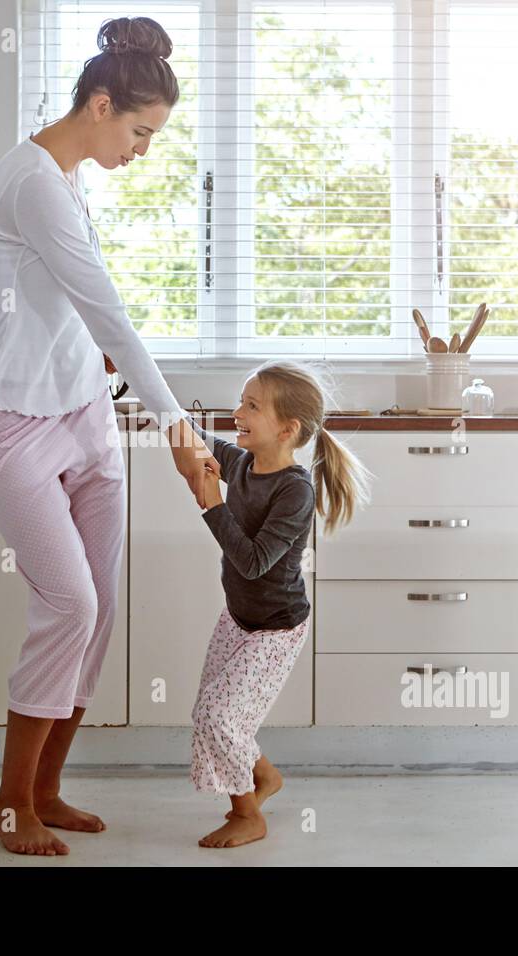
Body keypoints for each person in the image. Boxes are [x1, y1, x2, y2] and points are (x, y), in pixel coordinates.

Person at [0, 16, 216, 856]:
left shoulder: (68, 179)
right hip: (17, 422)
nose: (143, 150)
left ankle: (45, 791)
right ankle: (10, 804)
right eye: (140, 131)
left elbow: (77, 311)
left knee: (98, 609)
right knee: (66, 601)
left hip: (85, 415)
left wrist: (102, 364)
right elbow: (103, 300)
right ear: (101, 103)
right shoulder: (33, 179)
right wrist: (176, 422)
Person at [185, 361, 372, 848]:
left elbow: (252, 562)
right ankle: (265, 778)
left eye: (252, 406)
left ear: (287, 429)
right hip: (238, 617)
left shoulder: (295, 491)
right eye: (241, 401)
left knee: (221, 717)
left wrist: (211, 503)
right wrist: (162, 409)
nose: (237, 411)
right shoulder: (244, 462)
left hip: (275, 629)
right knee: (210, 712)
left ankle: (248, 814)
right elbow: (197, 440)